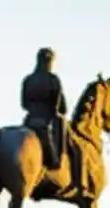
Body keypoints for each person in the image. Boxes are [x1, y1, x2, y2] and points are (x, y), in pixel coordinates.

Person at [21, 47, 74, 193]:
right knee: (64, 127)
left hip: (29, 120)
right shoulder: (53, 80)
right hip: (46, 120)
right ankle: (56, 160)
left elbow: (24, 104)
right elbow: (60, 107)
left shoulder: (28, 80)